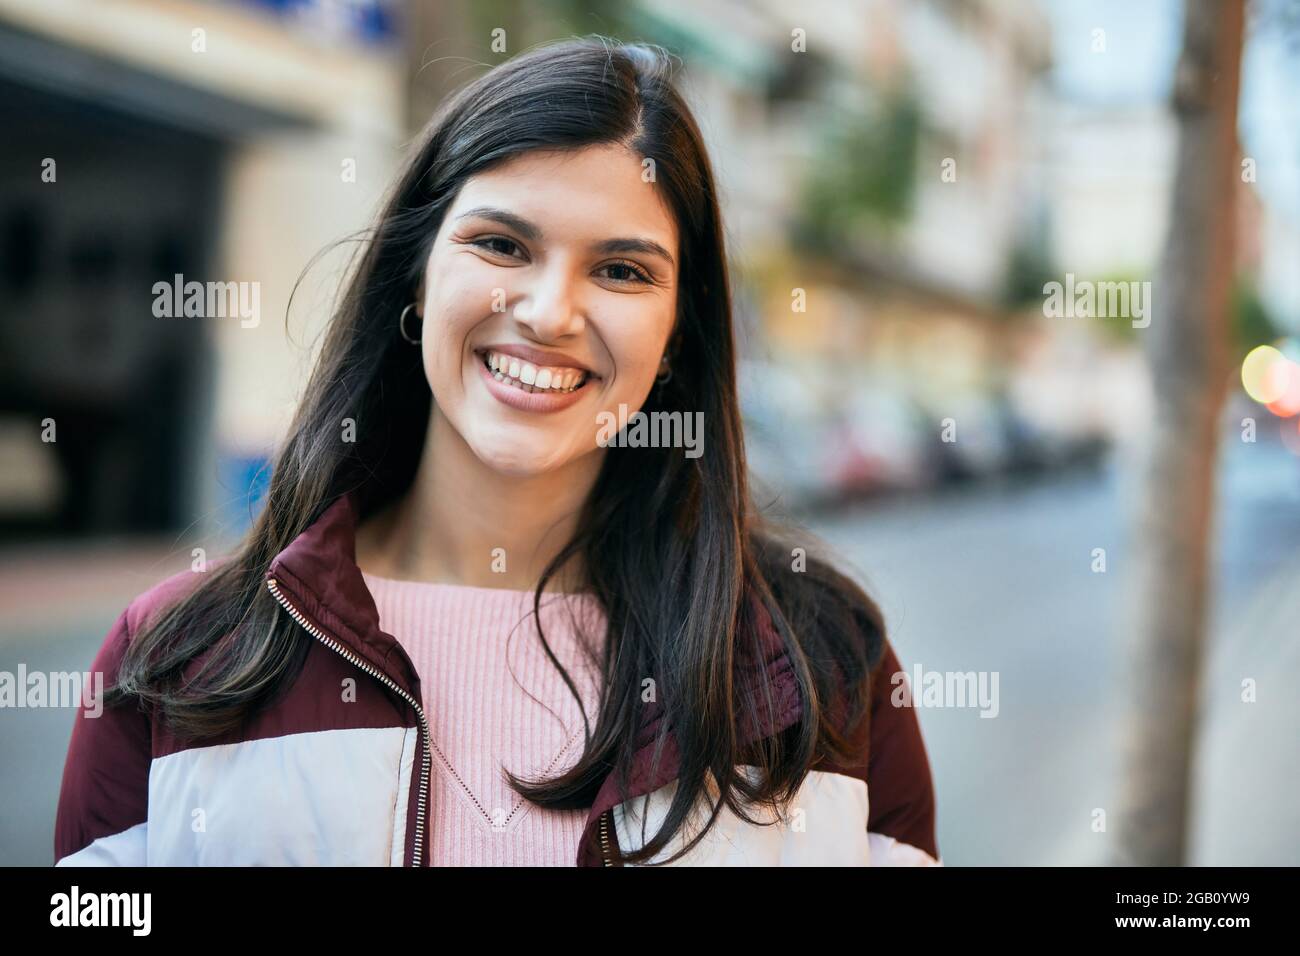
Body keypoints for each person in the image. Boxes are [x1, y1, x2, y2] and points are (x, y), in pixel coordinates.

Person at [53, 37, 939, 867]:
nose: (551, 313)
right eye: (502, 244)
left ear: (677, 333)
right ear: (418, 270)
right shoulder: (178, 661)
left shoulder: (822, 667)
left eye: (622, 270)